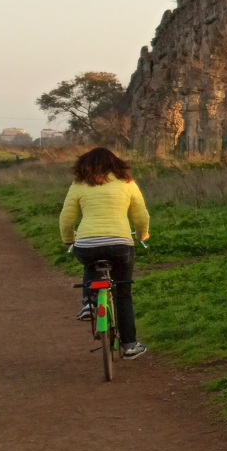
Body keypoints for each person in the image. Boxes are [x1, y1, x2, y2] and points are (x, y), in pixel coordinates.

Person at [58, 147, 150, 359]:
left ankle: (89, 304)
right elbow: (141, 215)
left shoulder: (79, 184)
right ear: (116, 164)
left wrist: (68, 239)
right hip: (120, 245)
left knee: (90, 264)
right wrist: (142, 235)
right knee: (123, 294)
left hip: (87, 244)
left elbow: (66, 218)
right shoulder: (127, 183)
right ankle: (129, 345)